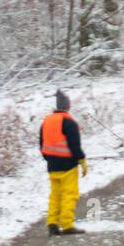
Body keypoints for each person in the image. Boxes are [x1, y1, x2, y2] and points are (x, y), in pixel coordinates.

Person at [40, 89, 88, 235]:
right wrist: (81, 160)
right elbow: (74, 145)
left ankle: (52, 224)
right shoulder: (69, 122)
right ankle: (67, 225)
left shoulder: (46, 121)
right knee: (69, 194)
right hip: (68, 165)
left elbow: (41, 144)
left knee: (55, 195)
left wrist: (49, 159)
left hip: (52, 166)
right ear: (67, 106)